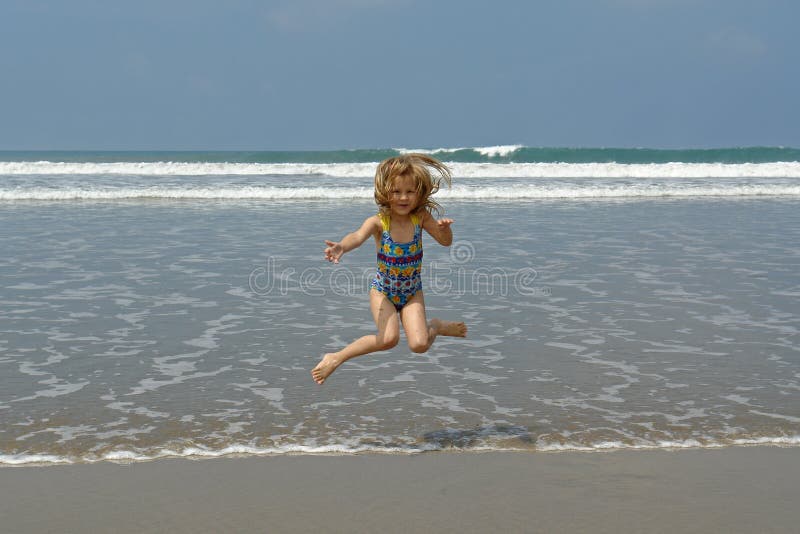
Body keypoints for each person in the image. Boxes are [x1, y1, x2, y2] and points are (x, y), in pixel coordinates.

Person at [311, 154, 467, 384]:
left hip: (412, 291)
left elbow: (446, 242)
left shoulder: (420, 218)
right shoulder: (378, 222)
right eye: (396, 192)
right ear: (385, 192)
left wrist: (444, 230)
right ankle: (336, 357)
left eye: (410, 192)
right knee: (388, 339)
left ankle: (436, 326)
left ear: (419, 192)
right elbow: (357, 236)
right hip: (383, 291)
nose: (403, 198)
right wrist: (342, 247)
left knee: (420, 345)